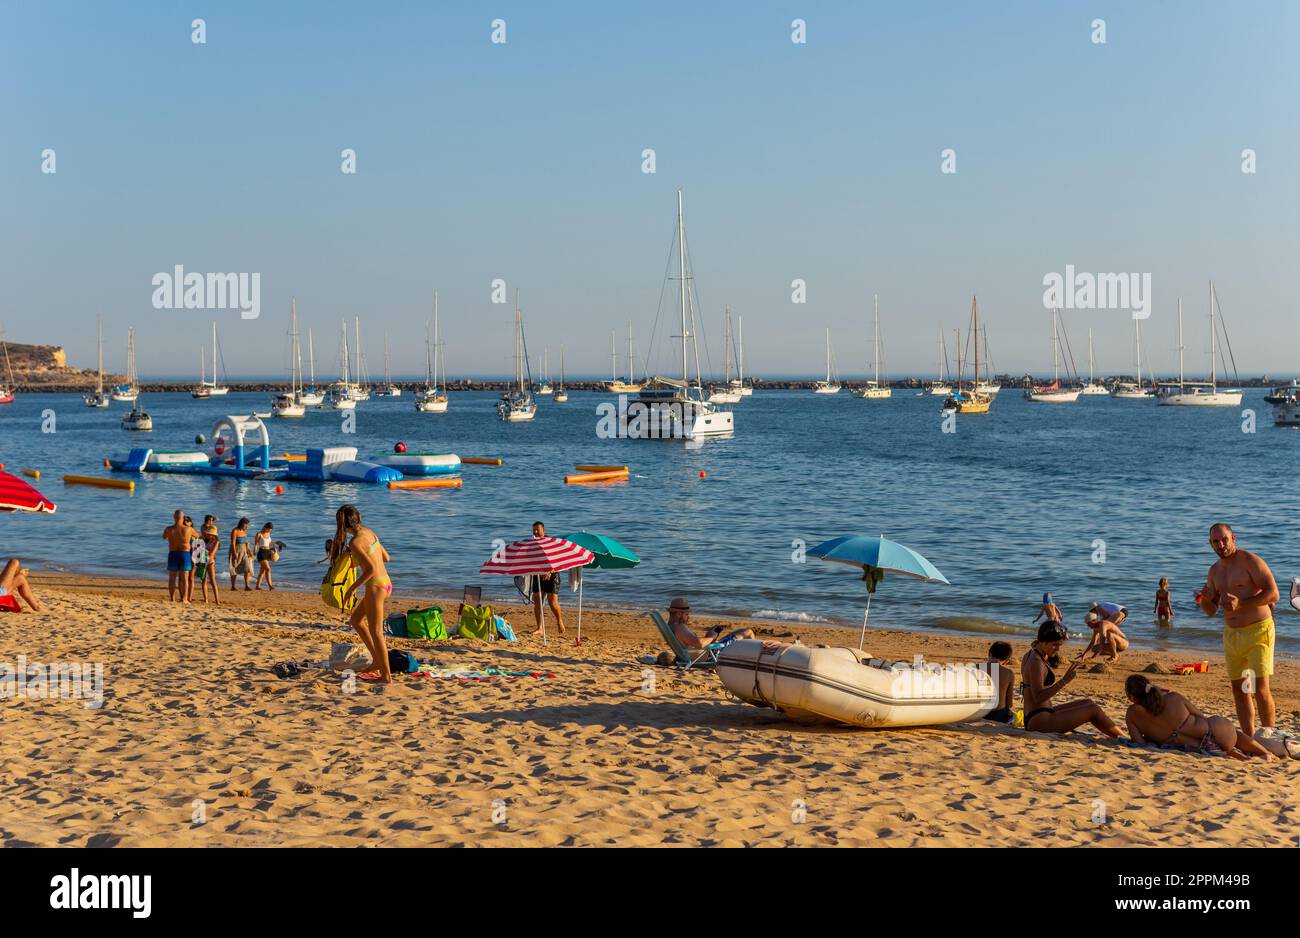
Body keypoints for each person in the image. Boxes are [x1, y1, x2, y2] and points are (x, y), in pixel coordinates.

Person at [1197, 523, 1280, 738]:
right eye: (1216, 541)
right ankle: (1251, 738)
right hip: (1232, 635)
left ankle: (1270, 737)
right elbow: (1211, 611)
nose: (1221, 545)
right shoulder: (1214, 571)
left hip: (1258, 631)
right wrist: (1204, 600)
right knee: (1241, 690)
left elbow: (1273, 594)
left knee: (1260, 689)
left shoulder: (1250, 561)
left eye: (1224, 539)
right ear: (1210, 543)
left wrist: (1241, 604)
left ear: (1233, 538)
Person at [1124, 675, 1275, 761]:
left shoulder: (1132, 714)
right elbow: (1200, 716)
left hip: (1195, 747)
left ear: (1131, 697)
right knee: (1232, 735)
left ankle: (1243, 758)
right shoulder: (1173, 697)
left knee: (1221, 747)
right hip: (1213, 732)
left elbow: (1140, 743)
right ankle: (1265, 754)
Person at [1019, 621, 1122, 737]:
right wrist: (1064, 681)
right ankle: (1123, 738)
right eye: (1054, 645)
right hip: (1039, 721)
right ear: (1043, 641)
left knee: (1088, 702)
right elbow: (1038, 697)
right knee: (1093, 709)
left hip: (1040, 714)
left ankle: (1117, 736)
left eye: (1060, 645)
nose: (1057, 649)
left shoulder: (1034, 653)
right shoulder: (1036, 663)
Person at [333, 504, 393, 684]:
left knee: (376, 632)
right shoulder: (369, 532)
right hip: (387, 583)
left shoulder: (354, 542)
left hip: (376, 587)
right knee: (356, 621)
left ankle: (386, 676)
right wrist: (360, 559)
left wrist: (352, 589)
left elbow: (371, 570)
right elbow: (385, 558)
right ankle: (376, 660)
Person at [667, 597, 754, 656]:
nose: (688, 617)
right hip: (711, 654)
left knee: (740, 631)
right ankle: (754, 657)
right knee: (748, 631)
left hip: (705, 652)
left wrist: (708, 636)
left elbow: (692, 644)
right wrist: (712, 637)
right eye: (686, 614)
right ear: (678, 614)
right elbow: (700, 644)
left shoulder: (671, 627)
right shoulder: (680, 627)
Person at [528, 521, 567, 636]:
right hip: (537, 575)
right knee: (537, 601)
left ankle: (559, 621)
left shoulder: (550, 542)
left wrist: (549, 571)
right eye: (534, 530)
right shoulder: (532, 544)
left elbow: (557, 559)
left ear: (543, 531)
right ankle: (540, 628)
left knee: (552, 602)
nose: (535, 532)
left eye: (537, 530)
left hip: (552, 575)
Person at [162, 510, 196, 604]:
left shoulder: (169, 529)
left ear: (173, 517)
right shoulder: (188, 529)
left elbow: (164, 537)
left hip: (173, 553)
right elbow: (197, 536)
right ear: (183, 517)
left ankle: (172, 599)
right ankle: (184, 599)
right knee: (185, 578)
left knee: (172, 577)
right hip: (184, 554)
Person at [984, 641, 1016, 723]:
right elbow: (1009, 704)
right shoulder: (1009, 673)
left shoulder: (976, 668)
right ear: (1006, 661)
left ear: (989, 653)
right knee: (1012, 715)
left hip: (978, 713)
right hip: (997, 716)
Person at [197, 516, 221, 605]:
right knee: (203, 580)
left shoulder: (216, 542)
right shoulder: (203, 539)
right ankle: (206, 599)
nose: (207, 534)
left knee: (212, 581)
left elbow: (212, 554)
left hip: (210, 561)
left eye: (209, 533)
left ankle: (217, 600)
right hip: (202, 560)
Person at [229, 517, 253, 591]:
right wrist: (234, 553)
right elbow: (233, 543)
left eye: (247, 525)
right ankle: (233, 586)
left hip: (244, 552)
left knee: (247, 568)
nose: (247, 526)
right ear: (242, 523)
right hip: (236, 550)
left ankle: (247, 586)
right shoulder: (235, 531)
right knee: (234, 569)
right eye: (246, 524)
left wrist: (250, 552)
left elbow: (246, 543)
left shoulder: (245, 531)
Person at [254, 522, 276, 591]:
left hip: (268, 553)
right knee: (268, 569)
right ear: (266, 527)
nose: (270, 531)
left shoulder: (269, 534)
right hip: (261, 553)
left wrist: (273, 550)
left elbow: (270, 544)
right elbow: (256, 545)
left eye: (271, 530)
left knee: (262, 571)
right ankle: (270, 586)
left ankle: (257, 586)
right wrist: (253, 552)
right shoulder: (259, 534)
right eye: (269, 529)